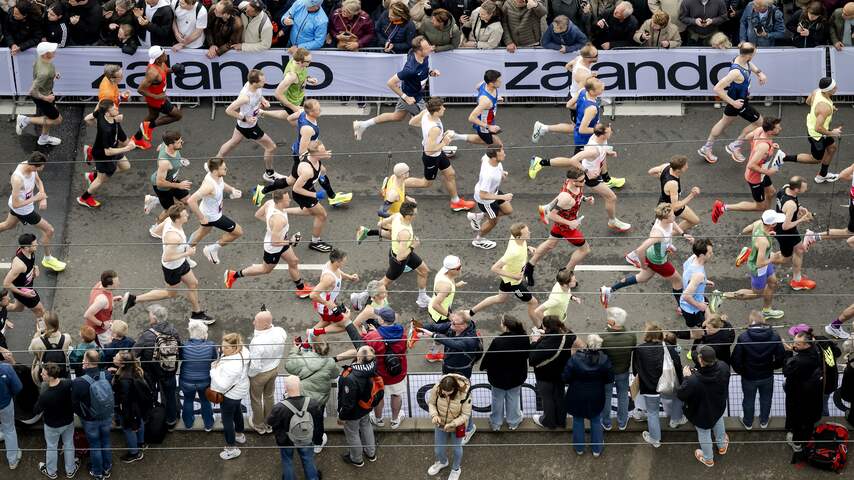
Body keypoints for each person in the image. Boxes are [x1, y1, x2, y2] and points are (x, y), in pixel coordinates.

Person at [533, 124, 631, 232]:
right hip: (591, 177)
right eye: (609, 131)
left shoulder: (599, 139)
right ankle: (612, 221)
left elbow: (600, 152)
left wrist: (607, 153)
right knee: (611, 198)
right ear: (603, 135)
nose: (611, 132)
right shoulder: (593, 150)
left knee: (572, 193)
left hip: (594, 172)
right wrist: (587, 172)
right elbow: (573, 160)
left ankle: (546, 208)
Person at [123, 204, 212, 323]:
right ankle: (134, 299)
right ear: (178, 218)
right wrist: (187, 253)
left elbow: (155, 231)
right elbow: (167, 258)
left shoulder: (169, 220)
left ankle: (197, 313)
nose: (187, 215)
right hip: (172, 268)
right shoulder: (174, 237)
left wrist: (172, 245)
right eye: (185, 215)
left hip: (181, 263)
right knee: (170, 294)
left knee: (193, 284)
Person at [600, 203, 687, 310]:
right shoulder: (657, 234)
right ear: (665, 219)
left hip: (652, 256)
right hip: (659, 262)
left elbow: (672, 223)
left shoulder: (664, 219)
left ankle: (609, 290)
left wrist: (683, 234)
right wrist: (643, 264)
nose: (675, 216)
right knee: (678, 281)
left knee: (642, 278)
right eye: (672, 215)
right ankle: (682, 307)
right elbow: (640, 250)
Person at [225, 191, 312, 297]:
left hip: (281, 241)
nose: (290, 200)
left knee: (293, 261)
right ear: (280, 202)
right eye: (287, 199)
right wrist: (291, 241)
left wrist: (270, 226)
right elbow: (274, 242)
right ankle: (233, 275)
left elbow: (257, 215)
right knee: (265, 269)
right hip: (273, 248)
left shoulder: (270, 203)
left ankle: (301, 289)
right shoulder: (279, 220)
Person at [353, 36, 439, 140]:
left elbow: (424, 69)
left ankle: (362, 124)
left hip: (414, 95)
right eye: (427, 48)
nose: (430, 48)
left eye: (429, 45)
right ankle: (438, 146)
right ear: (419, 51)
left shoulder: (424, 56)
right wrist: (406, 97)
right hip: (412, 99)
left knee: (397, 116)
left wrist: (431, 72)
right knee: (430, 120)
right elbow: (390, 83)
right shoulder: (410, 69)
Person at [698, 42, 767, 164]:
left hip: (736, 99)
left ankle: (706, 148)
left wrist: (760, 73)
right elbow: (717, 88)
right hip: (739, 103)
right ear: (749, 55)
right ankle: (735, 145)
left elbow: (750, 65)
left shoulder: (741, 59)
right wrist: (733, 103)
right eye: (754, 53)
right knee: (761, 124)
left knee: (724, 122)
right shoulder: (736, 72)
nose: (755, 55)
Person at [523, 167, 594, 286]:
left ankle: (529, 267)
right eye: (581, 181)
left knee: (550, 244)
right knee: (585, 249)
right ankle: (566, 273)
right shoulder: (566, 197)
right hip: (566, 227)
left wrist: (586, 199)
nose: (584, 182)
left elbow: (578, 196)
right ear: (571, 181)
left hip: (565, 222)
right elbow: (551, 215)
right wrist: (570, 223)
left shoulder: (574, 184)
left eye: (584, 179)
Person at [405, 97, 475, 212]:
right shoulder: (434, 129)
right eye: (442, 107)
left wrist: (433, 134)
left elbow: (411, 122)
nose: (444, 108)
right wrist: (444, 142)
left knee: (450, 174)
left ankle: (456, 202)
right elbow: (429, 151)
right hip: (431, 157)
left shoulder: (425, 112)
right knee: (426, 183)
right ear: (436, 111)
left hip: (438, 152)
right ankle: (394, 183)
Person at [0, 153, 67, 273]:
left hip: (23, 207)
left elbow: (39, 182)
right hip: (23, 210)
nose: (42, 168)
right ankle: (47, 259)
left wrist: (43, 197)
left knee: (7, 225)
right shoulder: (18, 179)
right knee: (49, 230)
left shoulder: (30, 165)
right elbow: (16, 204)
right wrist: (36, 198)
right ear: (33, 166)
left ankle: (48, 258)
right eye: (41, 166)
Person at [215, 70, 283, 182]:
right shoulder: (245, 97)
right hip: (249, 127)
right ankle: (269, 174)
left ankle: (213, 163)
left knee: (233, 142)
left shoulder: (254, 86)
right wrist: (245, 118)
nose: (264, 83)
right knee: (271, 147)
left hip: (244, 125)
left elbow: (259, 95)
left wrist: (264, 100)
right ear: (254, 82)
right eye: (262, 82)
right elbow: (229, 110)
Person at [468, 223, 540, 324]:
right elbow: (495, 268)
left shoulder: (516, 238)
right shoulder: (513, 252)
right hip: (514, 283)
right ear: (519, 236)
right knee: (533, 303)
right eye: (526, 232)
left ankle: (470, 312)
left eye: (528, 230)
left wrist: (528, 248)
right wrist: (514, 276)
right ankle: (539, 327)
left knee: (500, 298)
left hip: (509, 280)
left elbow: (517, 238)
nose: (529, 232)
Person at [721, 210, 786, 319]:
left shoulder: (758, 223)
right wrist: (773, 258)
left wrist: (763, 235)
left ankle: (767, 310)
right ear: (772, 224)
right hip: (759, 267)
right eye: (776, 222)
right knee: (756, 293)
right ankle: (724, 295)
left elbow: (745, 230)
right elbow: (759, 263)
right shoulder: (763, 242)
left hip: (765, 258)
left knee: (772, 282)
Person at [633, 323, 686, 448]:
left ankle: (655, 439)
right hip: (667, 383)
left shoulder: (640, 349)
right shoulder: (668, 347)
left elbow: (636, 370)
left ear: (647, 335)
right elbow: (677, 365)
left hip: (648, 388)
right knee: (677, 399)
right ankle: (675, 420)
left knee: (652, 413)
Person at [676, 346, 730, 467]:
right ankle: (721, 446)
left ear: (700, 360)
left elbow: (681, 394)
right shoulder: (723, 366)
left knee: (704, 433)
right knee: (718, 421)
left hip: (701, 413)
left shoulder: (693, 380)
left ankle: (708, 458)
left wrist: (686, 377)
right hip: (718, 405)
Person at [731, 309, 785, 429]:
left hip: (749, 377)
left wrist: (743, 372)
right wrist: (773, 366)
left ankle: (748, 422)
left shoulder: (743, 337)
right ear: (764, 321)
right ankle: (764, 421)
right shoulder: (775, 336)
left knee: (748, 400)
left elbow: (735, 359)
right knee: (766, 399)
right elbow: (781, 357)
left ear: (751, 322)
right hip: (767, 375)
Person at [285, 337, 339, 454]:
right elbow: (336, 374)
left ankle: (302, 437)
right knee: (318, 421)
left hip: (304, 398)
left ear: (313, 348)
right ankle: (318, 443)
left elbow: (288, 366)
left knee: (302, 418)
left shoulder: (303, 359)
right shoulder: (330, 362)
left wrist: (295, 349)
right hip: (320, 400)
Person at [78, 99, 136, 208]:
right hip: (103, 155)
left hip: (114, 147)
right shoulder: (106, 130)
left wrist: (108, 122)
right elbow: (107, 152)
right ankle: (84, 198)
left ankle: (93, 175)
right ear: (108, 113)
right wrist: (127, 148)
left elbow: (87, 119)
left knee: (126, 166)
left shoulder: (101, 113)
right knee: (100, 180)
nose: (117, 108)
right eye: (114, 108)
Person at [187, 158, 244, 264]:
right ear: (214, 171)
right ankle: (212, 249)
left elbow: (222, 184)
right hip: (211, 216)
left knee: (202, 232)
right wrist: (202, 218)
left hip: (210, 211)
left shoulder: (217, 176)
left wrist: (232, 189)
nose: (226, 169)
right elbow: (191, 201)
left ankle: (184, 254)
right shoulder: (208, 186)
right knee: (238, 232)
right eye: (223, 168)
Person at [133, 304, 182, 428]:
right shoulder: (174, 332)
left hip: (150, 372)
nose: (148, 317)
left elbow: (134, 353)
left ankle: (151, 419)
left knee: (150, 394)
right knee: (170, 396)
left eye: (150, 315)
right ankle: (171, 421)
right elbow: (179, 351)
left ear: (154, 318)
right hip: (169, 370)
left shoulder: (147, 335)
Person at [531, 44, 597, 135]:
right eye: (595, 56)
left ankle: (544, 128)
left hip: (572, 93)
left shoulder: (579, 59)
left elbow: (567, 66)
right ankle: (544, 128)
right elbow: (582, 92)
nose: (597, 57)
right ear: (587, 58)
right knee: (579, 128)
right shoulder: (583, 74)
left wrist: (577, 75)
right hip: (578, 100)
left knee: (581, 127)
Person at [564, 335, 613, 456]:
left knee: (578, 420)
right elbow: (610, 378)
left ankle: (579, 448)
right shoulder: (605, 359)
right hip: (596, 395)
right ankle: (597, 449)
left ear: (587, 344)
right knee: (596, 420)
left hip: (577, 395)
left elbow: (565, 377)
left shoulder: (575, 358)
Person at [766, 177, 817, 290]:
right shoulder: (791, 205)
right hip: (786, 232)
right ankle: (754, 256)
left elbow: (787, 206)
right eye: (804, 187)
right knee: (785, 258)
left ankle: (797, 281)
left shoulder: (785, 188)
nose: (806, 188)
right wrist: (802, 219)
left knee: (799, 250)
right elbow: (786, 226)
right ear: (796, 189)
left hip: (784, 228)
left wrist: (799, 207)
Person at [267, 376, 322, 480]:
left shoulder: (279, 407)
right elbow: (318, 423)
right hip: (306, 438)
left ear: (285, 388)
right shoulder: (312, 403)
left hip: (286, 441)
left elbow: (271, 422)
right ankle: (313, 478)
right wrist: (318, 439)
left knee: (287, 461)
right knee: (308, 459)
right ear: (300, 386)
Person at [480, 314, 529, 431]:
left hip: (498, 377)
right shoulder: (524, 338)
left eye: (501, 322)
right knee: (514, 398)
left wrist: (484, 367)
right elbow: (527, 354)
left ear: (506, 326)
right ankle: (514, 421)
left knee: (497, 399)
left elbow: (489, 358)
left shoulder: (498, 341)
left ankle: (496, 423)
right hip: (516, 376)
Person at [361, 307, 408, 429]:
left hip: (380, 374)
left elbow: (364, 348)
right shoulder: (403, 333)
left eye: (378, 316)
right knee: (396, 395)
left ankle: (378, 419)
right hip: (398, 373)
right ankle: (394, 420)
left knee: (379, 396)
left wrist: (365, 334)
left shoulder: (373, 336)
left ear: (381, 320)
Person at [71, 349, 113, 479]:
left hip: (90, 420)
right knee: (106, 441)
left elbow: (74, 403)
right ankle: (107, 467)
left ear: (87, 362)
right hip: (106, 416)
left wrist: (83, 415)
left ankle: (97, 472)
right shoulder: (106, 375)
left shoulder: (79, 382)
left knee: (95, 445)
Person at [33, 362, 80, 479]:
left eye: (43, 373)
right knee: (69, 443)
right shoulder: (68, 384)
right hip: (68, 422)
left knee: (52, 446)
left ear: (50, 376)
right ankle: (70, 470)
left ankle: (51, 471)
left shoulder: (45, 396)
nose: (41, 375)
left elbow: (36, 410)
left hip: (52, 425)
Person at [132, 46, 183, 150]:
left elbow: (164, 70)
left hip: (158, 97)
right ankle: (149, 126)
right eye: (163, 54)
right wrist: (157, 96)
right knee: (177, 115)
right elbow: (140, 90)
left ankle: (137, 139)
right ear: (158, 58)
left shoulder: (161, 63)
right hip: (157, 100)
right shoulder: (152, 73)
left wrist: (173, 70)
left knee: (152, 116)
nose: (166, 54)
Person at [336, 345, 380, 467]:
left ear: (359, 357)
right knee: (366, 427)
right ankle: (371, 453)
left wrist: (342, 417)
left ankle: (356, 459)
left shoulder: (350, 377)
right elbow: (366, 350)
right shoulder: (373, 364)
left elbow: (348, 403)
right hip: (366, 407)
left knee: (353, 433)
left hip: (353, 412)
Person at [210, 332, 250, 460]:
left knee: (227, 420)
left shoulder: (232, 366)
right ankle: (239, 434)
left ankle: (231, 448)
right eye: (222, 346)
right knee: (237, 410)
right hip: (239, 390)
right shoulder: (244, 351)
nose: (222, 349)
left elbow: (222, 385)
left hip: (229, 395)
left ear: (235, 347)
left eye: (226, 347)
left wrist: (213, 370)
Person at [247, 310, 288, 435]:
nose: (253, 322)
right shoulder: (280, 332)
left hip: (260, 374)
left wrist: (250, 375)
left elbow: (255, 365)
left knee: (256, 399)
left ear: (265, 325)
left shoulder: (256, 342)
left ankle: (259, 425)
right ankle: (269, 423)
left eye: (257, 321)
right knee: (269, 396)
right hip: (274, 369)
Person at [783, 330, 824, 453]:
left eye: (798, 344)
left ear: (807, 344)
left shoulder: (799, 361)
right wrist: (795, 350)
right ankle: (806, 437)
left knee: (798, 419)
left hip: (798, 394)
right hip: (812, 392)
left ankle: (797, 444)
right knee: (808, 420)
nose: (795, 345)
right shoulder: (815, 350)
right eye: (795, 342)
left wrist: (789, 353)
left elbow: (786, 371)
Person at [530, 316, 574, 429]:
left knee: (547, 398)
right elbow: (571, 336)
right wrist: (546, 334)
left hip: (544, 375)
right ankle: (561, 421)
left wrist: (535, 341)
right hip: (561, 373)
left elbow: (532, 360)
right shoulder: (567, 336)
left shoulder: (545, 344)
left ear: (546, 327)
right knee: (560, 396)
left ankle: (549, 421)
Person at [15, 42, 63, 146]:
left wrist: (54, 74)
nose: (54, 51)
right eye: (52, 50)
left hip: (48, 92)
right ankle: (25, 120)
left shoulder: (42, 59)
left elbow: (37, 66)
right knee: (57, 120)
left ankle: (44, 138)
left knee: (49, 116)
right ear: (45, 54)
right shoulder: (43, 73)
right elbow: (31, 91)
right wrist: (46, 98)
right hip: (43, 97)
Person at [427, 373, 471, 480]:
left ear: (455, 389)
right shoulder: (437, 388)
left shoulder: (464, 394)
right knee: (438, 450)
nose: (445, 394)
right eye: (443, 392)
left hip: (457, 426)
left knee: (457, 449)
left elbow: (465, 415)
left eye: (449, 393)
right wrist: (434, 415)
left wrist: (453, 424)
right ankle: (442, 462)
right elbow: (431, 403)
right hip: (440, 424)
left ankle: (456, 469)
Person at [468, 146, 513, 249]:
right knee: (493, 221)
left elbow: (482, 159)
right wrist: (503, 197)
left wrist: (501, 173)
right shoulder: (489, 176)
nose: (504, 154)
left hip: (494, 192)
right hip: (486, 201)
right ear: (493, 158)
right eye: (502, 153)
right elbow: (483, 195)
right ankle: (478, 240)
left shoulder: (487, 157)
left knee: (508, 210)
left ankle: (477, 216)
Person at [308, 249, 360, 339]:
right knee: (346, 323)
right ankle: (314, 332)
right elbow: (312, 295)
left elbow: (339, 272)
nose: (345, 263)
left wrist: (350, 277)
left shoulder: (331, 264)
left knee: (326, 321)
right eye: (344, 261)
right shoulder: (329, 278)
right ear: (337, 262)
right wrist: (327, 303)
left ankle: (307, 342)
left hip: (329, 302)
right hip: (326, 307)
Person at [423, 255, 466, 362]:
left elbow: (443, 290)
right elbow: (436, 305)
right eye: (458, 268)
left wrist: (456, 285)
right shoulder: (446, 286)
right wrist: (449, 316)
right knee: (441, 336)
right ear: (450, 270)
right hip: (440, 314)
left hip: (441, 310)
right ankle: (432, 355)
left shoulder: (443, 271)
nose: (461, 269)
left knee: (442, 333)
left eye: (460, 266)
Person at [112, 351, 151, 464]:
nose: (114, 357)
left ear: (122, 364)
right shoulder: (136, 371)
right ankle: (141, 443)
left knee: (128, 428)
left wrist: (121, 411)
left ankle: (134, 453)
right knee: (140, 422)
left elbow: (124, 399)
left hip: (129, 408)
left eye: (116, 357)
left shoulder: (124, 380)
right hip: (139, 405)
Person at [600, 307, 636, 431]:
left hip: (607, 373)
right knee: (623, 396)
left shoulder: (603, 337)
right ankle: (622, 422)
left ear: (613, 322)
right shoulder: (631, 336)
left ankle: (606, 422)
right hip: (623, 371)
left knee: (606, 396)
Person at [802, 77, 842, 184]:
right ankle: (785, 157)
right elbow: (818, 128)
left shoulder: (817, 91)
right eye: (834, 87)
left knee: (832, 148)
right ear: (828, 90)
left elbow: (808, 102)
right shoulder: (824, 108)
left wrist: (827, 108)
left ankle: (822, 175)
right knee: (816, 159)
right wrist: (833, 132)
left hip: (819, 128)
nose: (836, 88)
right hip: (817, 134)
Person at [179, 320, 218, 430]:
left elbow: (181, 358)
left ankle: (188, 423)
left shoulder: (184, 346)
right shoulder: (211, 345)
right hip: (205, 380)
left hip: (186, 380)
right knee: (205, 401)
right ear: (204, 333)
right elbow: (214, 359)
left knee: (188, 400)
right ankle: (208, 424)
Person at [144, 131, 191, 221]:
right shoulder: (164, 162)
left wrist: (180, 161)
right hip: (163, 188)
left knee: (187, 200)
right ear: (170, 145)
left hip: (172, 180)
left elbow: (159, 148)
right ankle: (155, 227)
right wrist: (179, 185)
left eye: (181, 140)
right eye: (179, 142)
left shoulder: (165, 144)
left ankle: (156, 200)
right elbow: (160, 183)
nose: (182, 143)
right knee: (170, 211)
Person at [647, 155, 700, 232]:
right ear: (678, 170)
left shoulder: (667, 166)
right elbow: (675, 207)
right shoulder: (673, 184)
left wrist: (661, 177)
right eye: (685, 166)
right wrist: (692, 195)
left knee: (695, 220)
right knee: (695, 221)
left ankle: (665, 229)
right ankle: (669, 233)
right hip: (669, 207)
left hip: (663, 201)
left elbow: (651, 171)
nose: (687, 167)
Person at [3, 234, 47, 325]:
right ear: (26, 248)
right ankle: (42, 333)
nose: (37, 245)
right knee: (40, 311)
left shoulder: (30, 252)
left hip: (26, 286)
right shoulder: (19, 265)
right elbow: (6, 283)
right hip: (24, 291)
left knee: (18, 308)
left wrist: (34, 270)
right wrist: (24, 294)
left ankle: (1, 308)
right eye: (34, 244)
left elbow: (29, 266)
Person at [453, 70, 503, 148]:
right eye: (498, 81)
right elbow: (471, 118)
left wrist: (495, 99)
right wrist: (489, 127)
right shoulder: (486, 101)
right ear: (491, 83)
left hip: (489, 119)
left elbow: (477, 87)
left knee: (492, 143)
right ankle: (457, 136)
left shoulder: (483, 84)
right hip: (484, 125)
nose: (501, 82)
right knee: (497, 145)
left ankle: (456, 136)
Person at [678, 239, 716, 337]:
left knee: (707, 310)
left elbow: (685, 269)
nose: (712, 254)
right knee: (698, 333)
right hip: (691, 309)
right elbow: (686, 296)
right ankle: (672, 335)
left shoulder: (693, 258)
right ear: (702, 255)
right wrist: (699, 306)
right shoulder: (698, 275)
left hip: (693, 299)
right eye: (710, 252)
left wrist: (704, 282)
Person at [28, 311, 72, 383]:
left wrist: (37, 335)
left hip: (44, 372)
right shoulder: (67, 337)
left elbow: (30, 351)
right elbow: (69, 346)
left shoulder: (36, 341)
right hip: (61, 370)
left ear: (45, 326)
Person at [274, 48, 318, 114]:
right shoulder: (291, 76)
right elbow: (277, 94)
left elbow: (294, 50)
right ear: (299, 62)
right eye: (308, 61)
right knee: (301, 122)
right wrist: (293, 107)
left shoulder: (297, 58)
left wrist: (308, 79)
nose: (310, 62)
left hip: (299, 97)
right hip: (292, 102)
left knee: (289, 116)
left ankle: (263, 112)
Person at [84, 270, 121, 347]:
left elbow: (99, 303)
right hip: (100, 329)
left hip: (104, 320)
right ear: (109, 286)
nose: (119, 284)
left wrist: (112, 299)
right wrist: (102, 324)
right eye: (116, 283)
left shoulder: (100, 284)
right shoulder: (102, 300)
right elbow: (87, 315)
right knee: (107, 346)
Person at [0, 348, 22, 470]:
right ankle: (13, 460)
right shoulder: (6, 368)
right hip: (4, 404)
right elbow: (18, 388)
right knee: (9, 429)